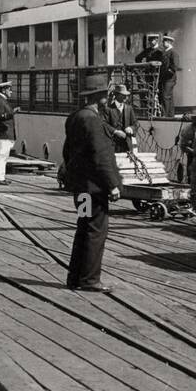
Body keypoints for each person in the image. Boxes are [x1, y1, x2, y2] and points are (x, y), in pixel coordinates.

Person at [62, 85, 122, 292]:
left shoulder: (74, 117)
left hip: (81, 187)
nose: (108, 99)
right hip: (95, 189)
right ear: (100, 98)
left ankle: (75, 277)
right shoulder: (93, 120)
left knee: (83, 228)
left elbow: (67, 151)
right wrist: (112, 184)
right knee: (96, 231)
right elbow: (101, 156)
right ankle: (89, 280)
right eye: (106, 95)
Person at [0, 79, 19, 185]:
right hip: (3, 132)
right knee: (2, 155)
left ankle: (1, 176)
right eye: (9, 90)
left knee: (4, 156)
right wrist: (12, 113)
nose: (11, 92)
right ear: (4, 89)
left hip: (5, 133)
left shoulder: (2, 100)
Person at [99, 83, 137, 153]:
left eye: (126, 95)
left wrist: (131, 128)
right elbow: (104, 124)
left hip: (127, 145)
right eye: (123, 95)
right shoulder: (108, 109)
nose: (126, 97)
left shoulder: (129, 108)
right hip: (113, 145)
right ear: (116, 95)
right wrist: (115, 132)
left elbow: (135, 124)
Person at [157, 33, 180, 116]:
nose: (163, 43)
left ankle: (165, 115)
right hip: (164, 78)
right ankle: (170, 114)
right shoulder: (165, 52)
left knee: (165, 96)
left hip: (169, 79)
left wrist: (166, 74)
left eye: (165, 41)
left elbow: (174, 67)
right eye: (163, 41)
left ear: (170, 42)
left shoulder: (173, 53)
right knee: (169, 97)